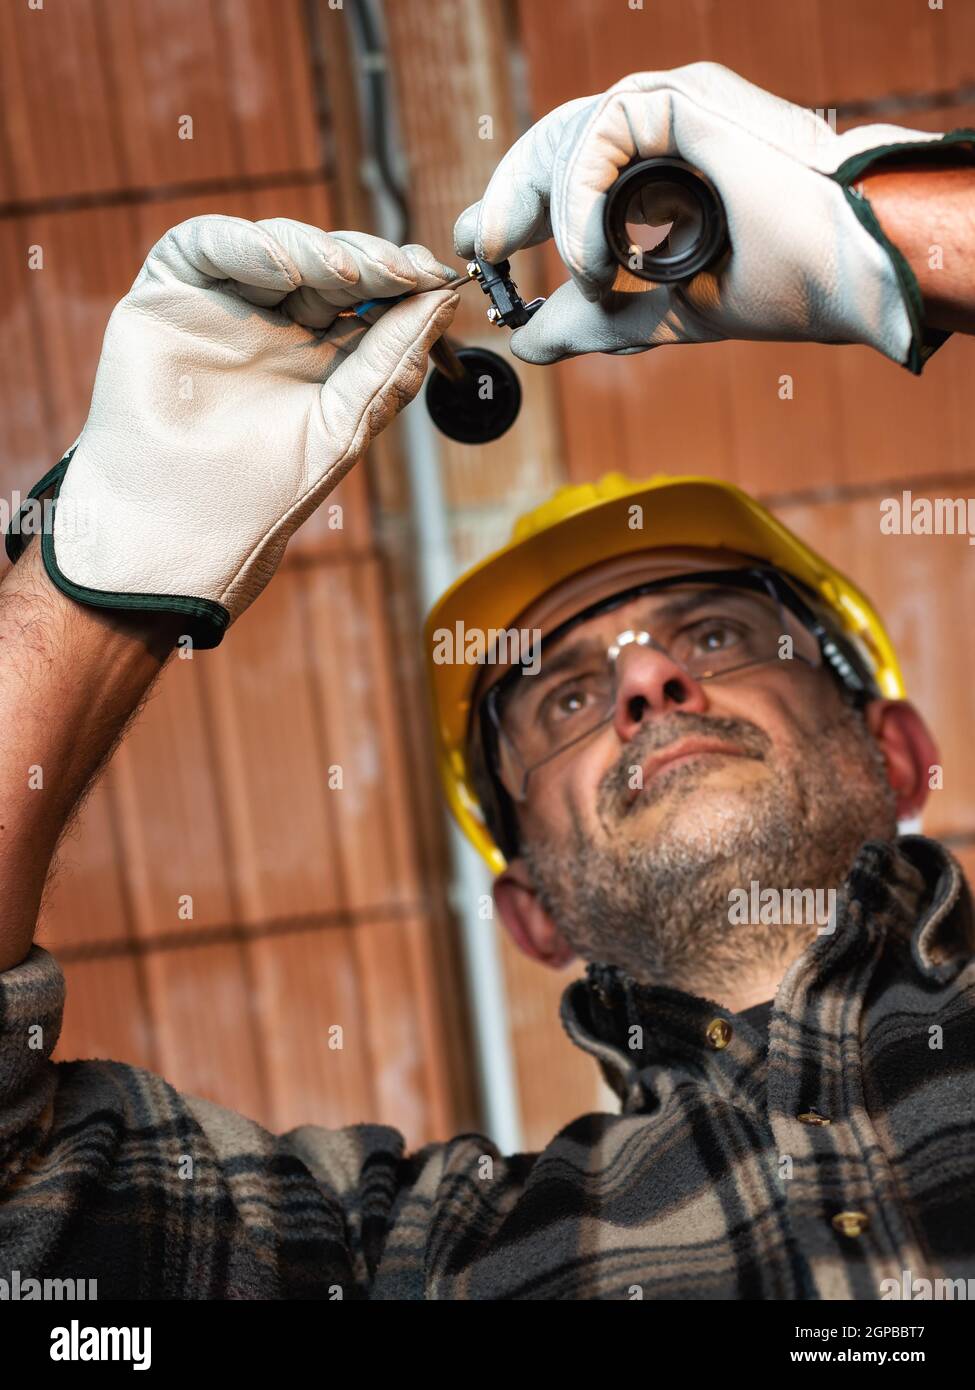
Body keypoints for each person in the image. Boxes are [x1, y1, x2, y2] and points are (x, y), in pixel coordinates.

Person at [0, 63, 973, 1300]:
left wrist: (888, 229)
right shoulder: (412, 1266)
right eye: (564, 699)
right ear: (532, 912)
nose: (652, 684)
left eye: (719, 636)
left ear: (896, 750)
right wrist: (101, 573)